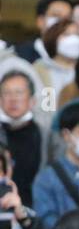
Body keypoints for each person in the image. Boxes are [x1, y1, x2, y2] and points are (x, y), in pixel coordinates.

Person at [0, 70, 46, 205]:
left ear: (32, 100)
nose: (13, 99)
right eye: (7, 93)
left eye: (19, 93)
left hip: (37, 206)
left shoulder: (45, 134)